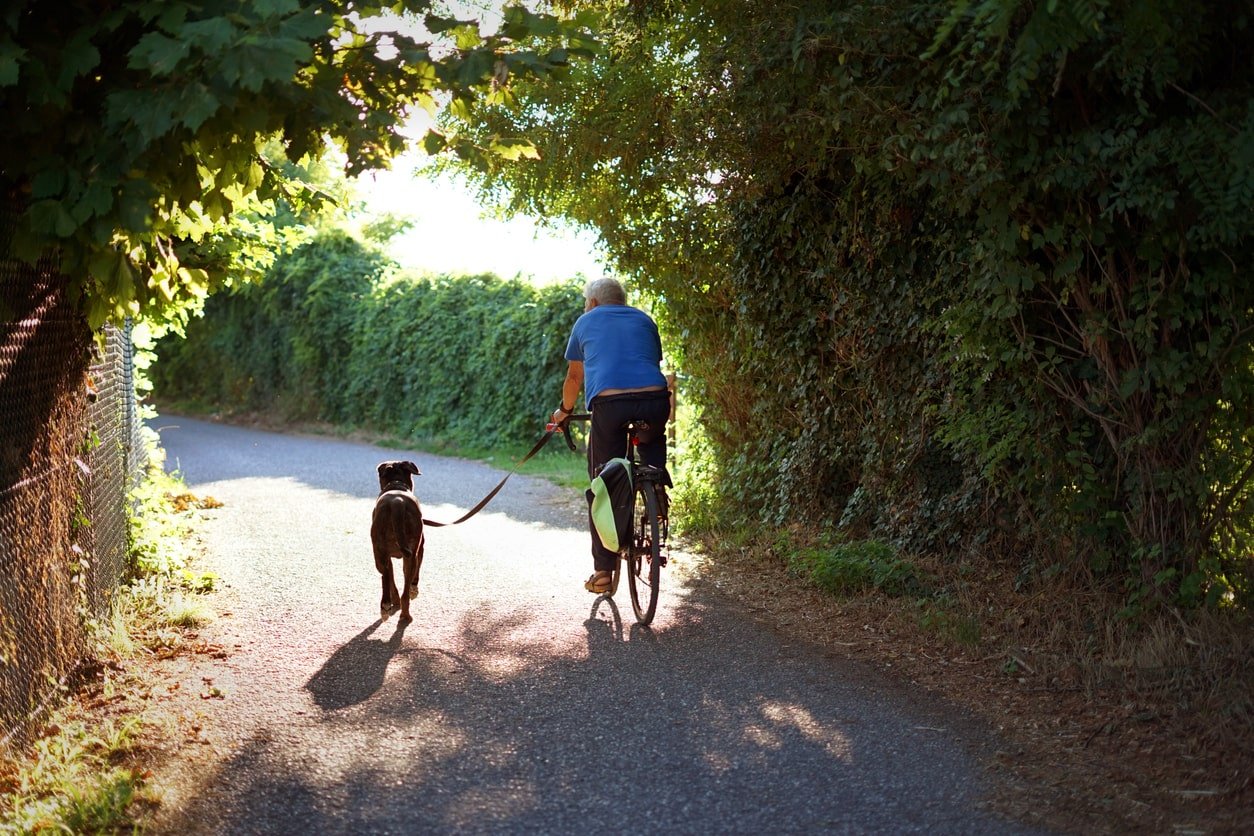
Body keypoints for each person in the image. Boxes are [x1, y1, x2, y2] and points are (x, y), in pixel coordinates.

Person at [549, 277, 671, 594]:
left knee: (602, 485)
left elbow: (575, 376)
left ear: (592, 302)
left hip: (610, 406)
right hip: (655, 400)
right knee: (652, 441)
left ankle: (603, 571)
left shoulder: (586, 321)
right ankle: (656, 485)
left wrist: (564, 411)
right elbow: (649, 364)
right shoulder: (645, 319)